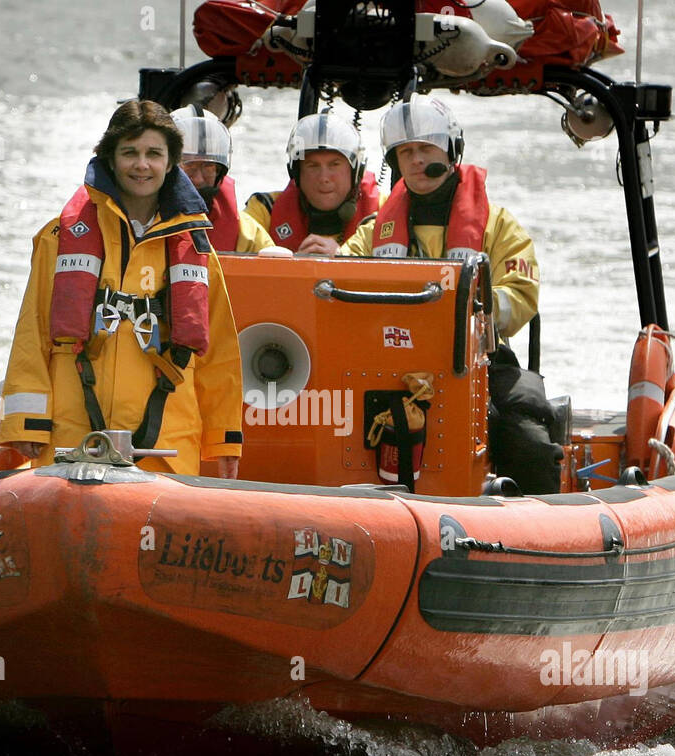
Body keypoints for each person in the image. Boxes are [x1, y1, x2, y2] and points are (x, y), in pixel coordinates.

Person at [0, 100, 244, 479]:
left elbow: (221, 353)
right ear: (110, 158)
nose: (141, 165)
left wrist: (225, 442)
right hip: (72, 434)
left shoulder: (195, 250)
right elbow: (33, 331)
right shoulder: (59, 238)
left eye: (153, 154)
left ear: (171, 161)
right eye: (129, 152)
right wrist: (26, 423)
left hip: (167, 442)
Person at [332, 95, 561, 493]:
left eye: (425, 149)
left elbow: (521, 296)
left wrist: (473, 310)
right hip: (385, 362)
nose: (417, 160)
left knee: (528, 440)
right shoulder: (373, 231)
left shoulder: (498, 224)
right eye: (406, 152)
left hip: (479, 364)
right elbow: (338, 282)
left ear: (450, 149)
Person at [244, 112, 381, 254]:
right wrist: (296, 265)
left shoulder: (383, 211)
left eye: (334, 164)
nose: (324, 177)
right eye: (312, 165)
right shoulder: (264, 211)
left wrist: (343, 258)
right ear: (296, 173)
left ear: (356, 171)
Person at [170, 104, 277, 254]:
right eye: (189, 166)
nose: (199, 179)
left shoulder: (248, 234)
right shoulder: (141, 222)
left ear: (221, 171)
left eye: (209, 167)